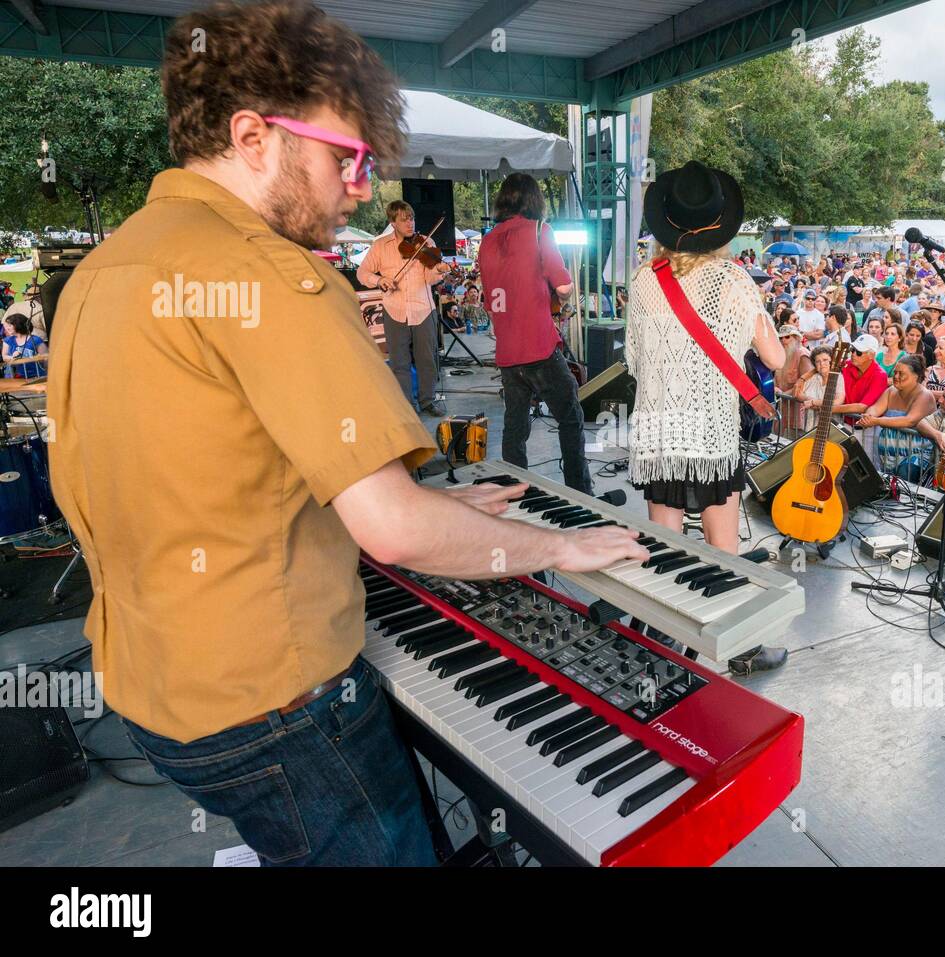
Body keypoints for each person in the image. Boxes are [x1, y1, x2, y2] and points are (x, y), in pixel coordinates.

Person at [45, 0, 646, 868]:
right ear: (254, 138)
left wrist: (424, 499)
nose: (363, 186)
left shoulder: (105, 269)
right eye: (346, 156)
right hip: (276, 707)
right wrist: (552, 545)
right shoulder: (267, 273)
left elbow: (205, 481)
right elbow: (396, 532)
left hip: (153, 694)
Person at [627, 160, 787, 673]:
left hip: (657, 429)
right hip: (710, 428)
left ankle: (664, 640)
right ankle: (738, 649)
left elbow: (632, 359)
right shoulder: (734, 280)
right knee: (724, 544)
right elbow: (777, 360)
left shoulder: (644, 279)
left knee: (663, 543)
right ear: (720, 225)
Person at [478, 172, 592, 495]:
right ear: (533, 199)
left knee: (515, 425)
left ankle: (514, 490)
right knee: (570, 415)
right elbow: (565, 287)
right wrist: (559, 294)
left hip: (507, 351)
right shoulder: (541, 231)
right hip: (539, 348)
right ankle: (580, 492)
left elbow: (490, 303)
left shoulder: (488, 240)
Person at [358, 200, 452, 415]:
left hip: (423, 309)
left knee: (427, 359)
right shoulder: (380, 246)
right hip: (394, 309)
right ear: (393, 222)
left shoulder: (426, 243)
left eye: (411, 218)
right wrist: (379, 281)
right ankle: (407, 405)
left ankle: (428, 400)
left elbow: (430, 279)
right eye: (404, 219)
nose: (410, 223)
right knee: (400, 361)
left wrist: (440, 270)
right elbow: (362, 273)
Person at [859, 355, 937, 481]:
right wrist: (869, 415)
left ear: (916, 376)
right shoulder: (891, 391)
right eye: (895, 372)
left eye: (901, 374)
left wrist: (876, 421)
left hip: (914, 456)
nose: (895, 377)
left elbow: (909, 420)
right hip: (888, 456)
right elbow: (876, 408)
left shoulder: (924, 396)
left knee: (905, 488)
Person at [833, 332, 888, 462]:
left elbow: (862, 407)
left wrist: (830, 409)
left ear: (871, 355)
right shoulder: (846, 364)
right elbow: (825, 364)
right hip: (843, 424)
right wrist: (803, 378)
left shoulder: (880, 375)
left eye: (858, 352)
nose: (853, 354)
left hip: (866, 430)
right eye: (852, 350)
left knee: (863, 465)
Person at [794, 345, 847, 429]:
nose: (822, 364)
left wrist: (813, 403)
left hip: (830, 426)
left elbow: (838, 401)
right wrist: (811, 400)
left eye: (825, 360)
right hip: (810, 425)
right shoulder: (812, 377)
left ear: (832, 361)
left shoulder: (838, 377)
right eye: (818, 361)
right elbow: (798, 394)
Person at [2, 312, 48, 378]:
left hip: (38, 376)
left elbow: (46, 359)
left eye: (10, 325)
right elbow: (4, 357)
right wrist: (13, 357)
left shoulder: (36, 340)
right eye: (6, 326)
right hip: (19, 377)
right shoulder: (8, 340)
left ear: (18, 325)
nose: (7, 328)